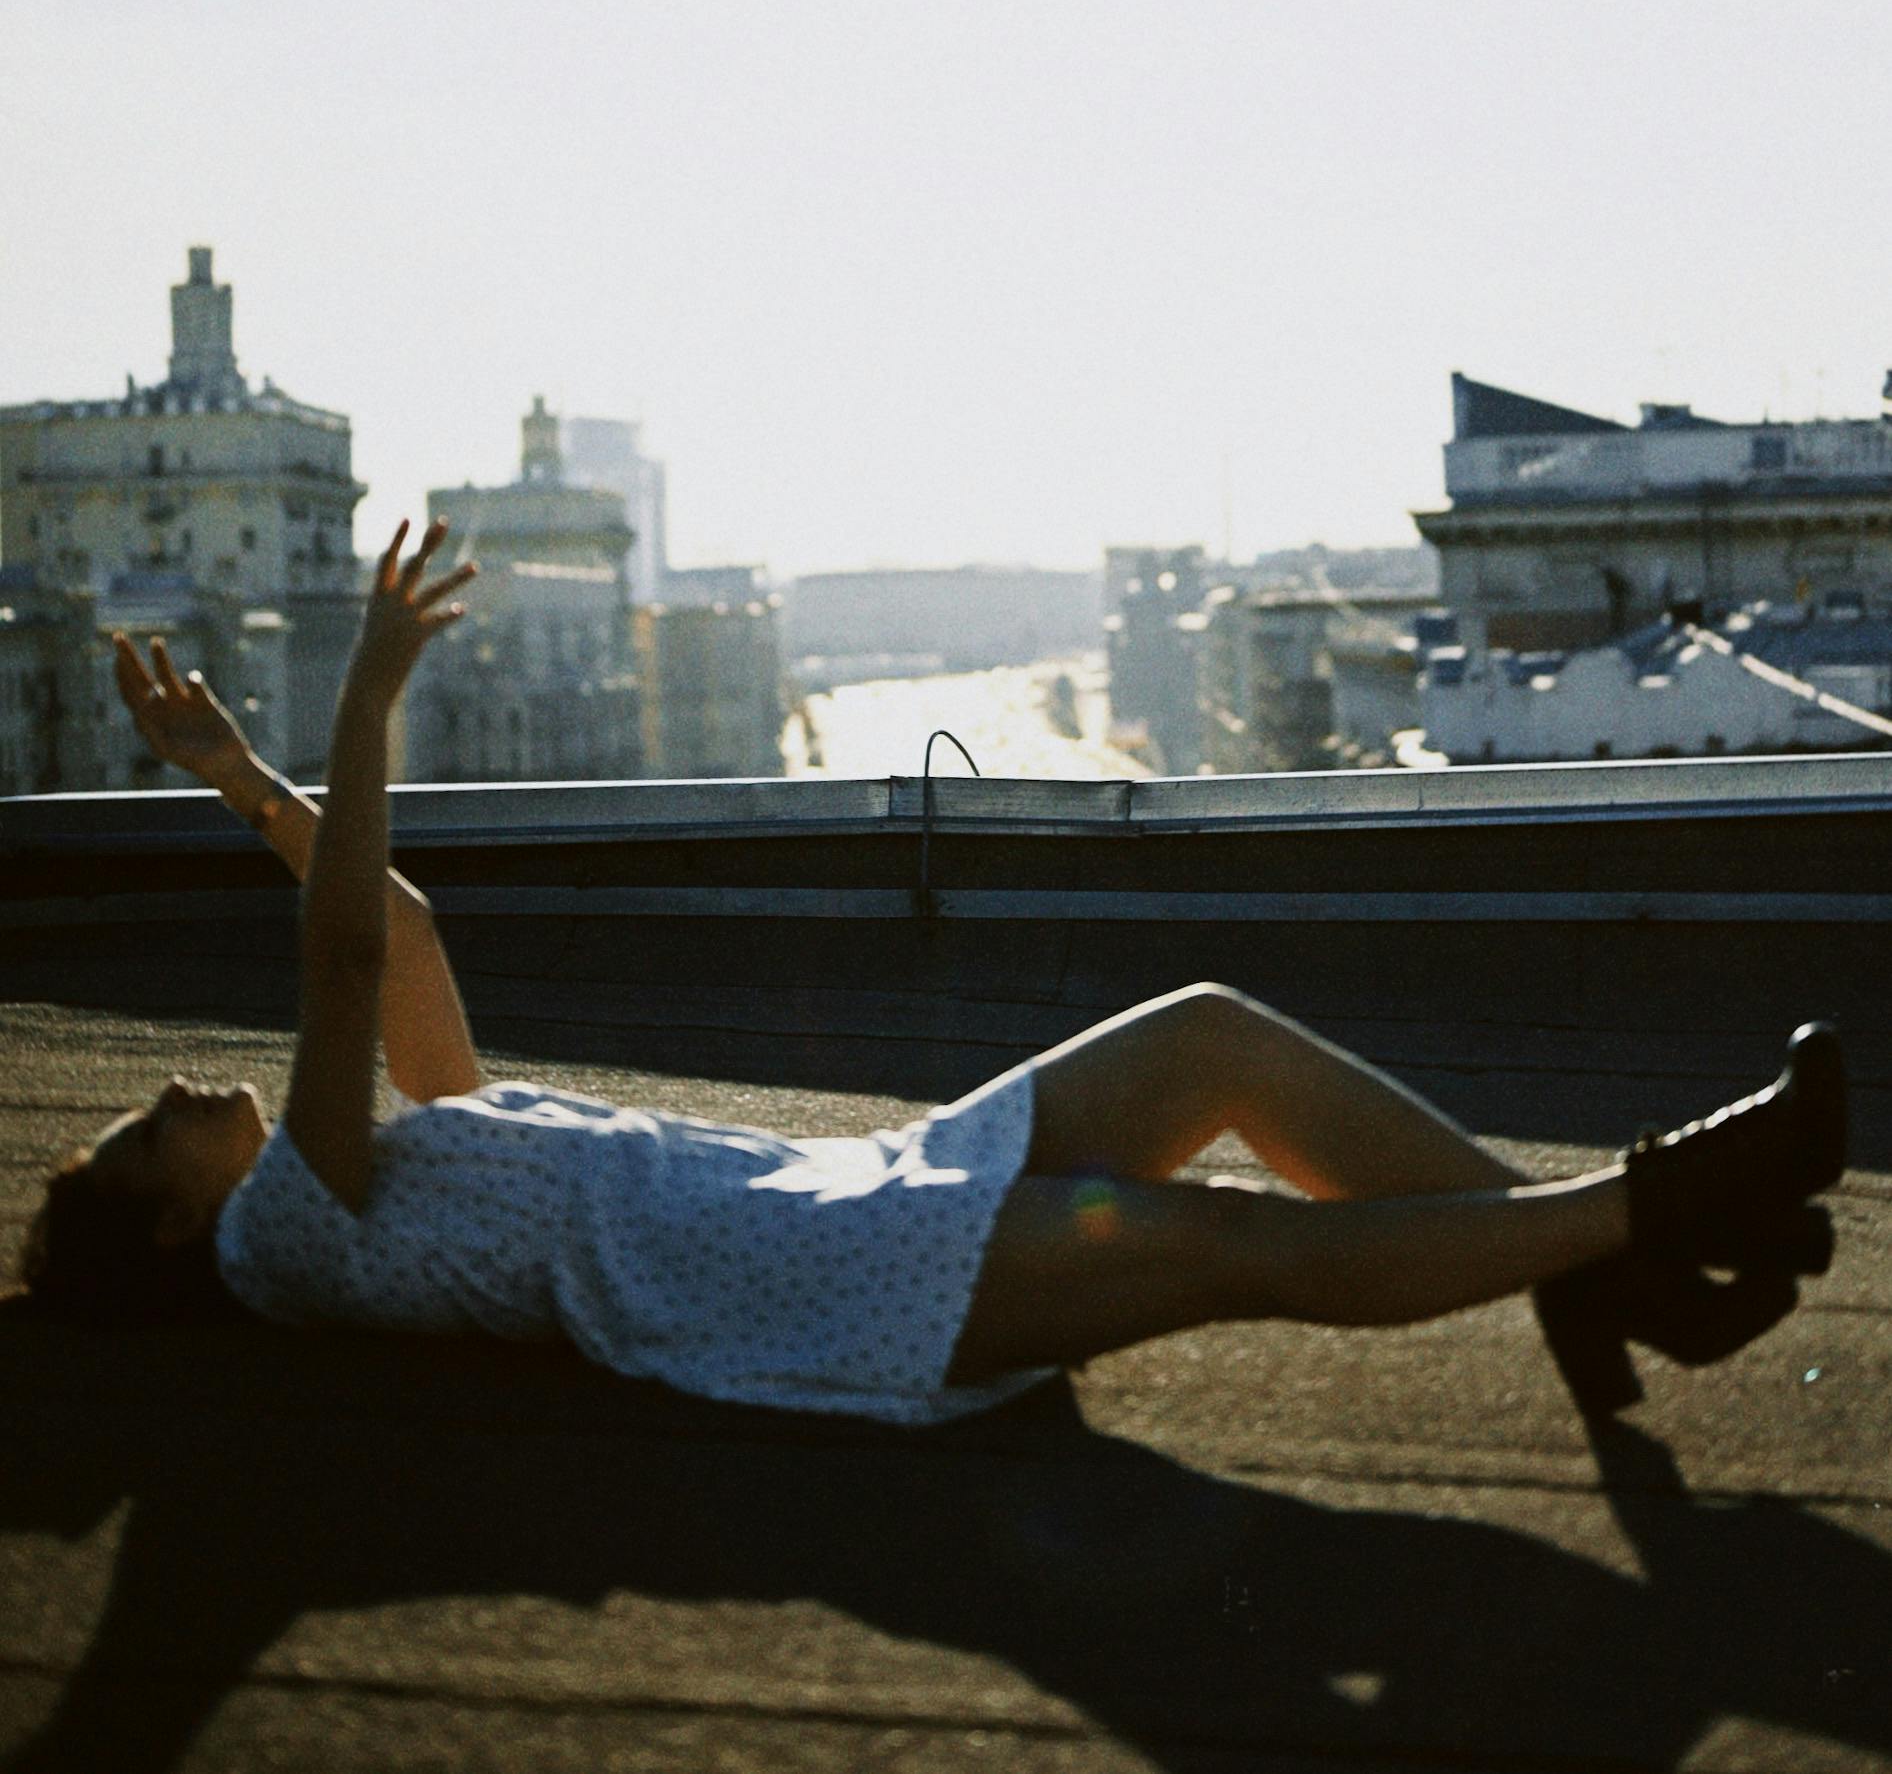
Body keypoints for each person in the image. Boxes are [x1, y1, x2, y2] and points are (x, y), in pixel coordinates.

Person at [15, 524, 1846, 1425]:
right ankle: (1656, 1208)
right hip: (830, 1292)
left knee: (1211, 1036)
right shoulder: (298, 1239)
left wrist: (239, 780)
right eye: (132, 1146)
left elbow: (395, 941)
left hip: (850, 1202)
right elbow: (338, 961)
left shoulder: (390, 1176)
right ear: (181, 1232)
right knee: (1220, 1243)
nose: (163, 1100)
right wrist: (361, 687)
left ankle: (1597, 1274)